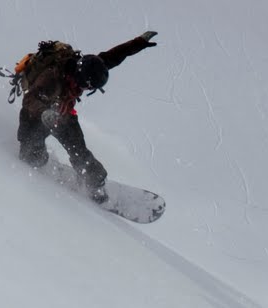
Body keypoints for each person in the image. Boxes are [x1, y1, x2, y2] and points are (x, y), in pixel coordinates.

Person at [11, 31, 158, 200]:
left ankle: (95, 185)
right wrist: (44, 113)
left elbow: (113, 56)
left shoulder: (89, 67)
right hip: (36, 114)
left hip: (62, 113)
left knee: (79, 151)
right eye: (88, 87)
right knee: (30, 155)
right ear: (81, 79)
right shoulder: (51, 78)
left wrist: (138, 42)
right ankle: (36, 161)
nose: (87, 90)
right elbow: (30, 100)